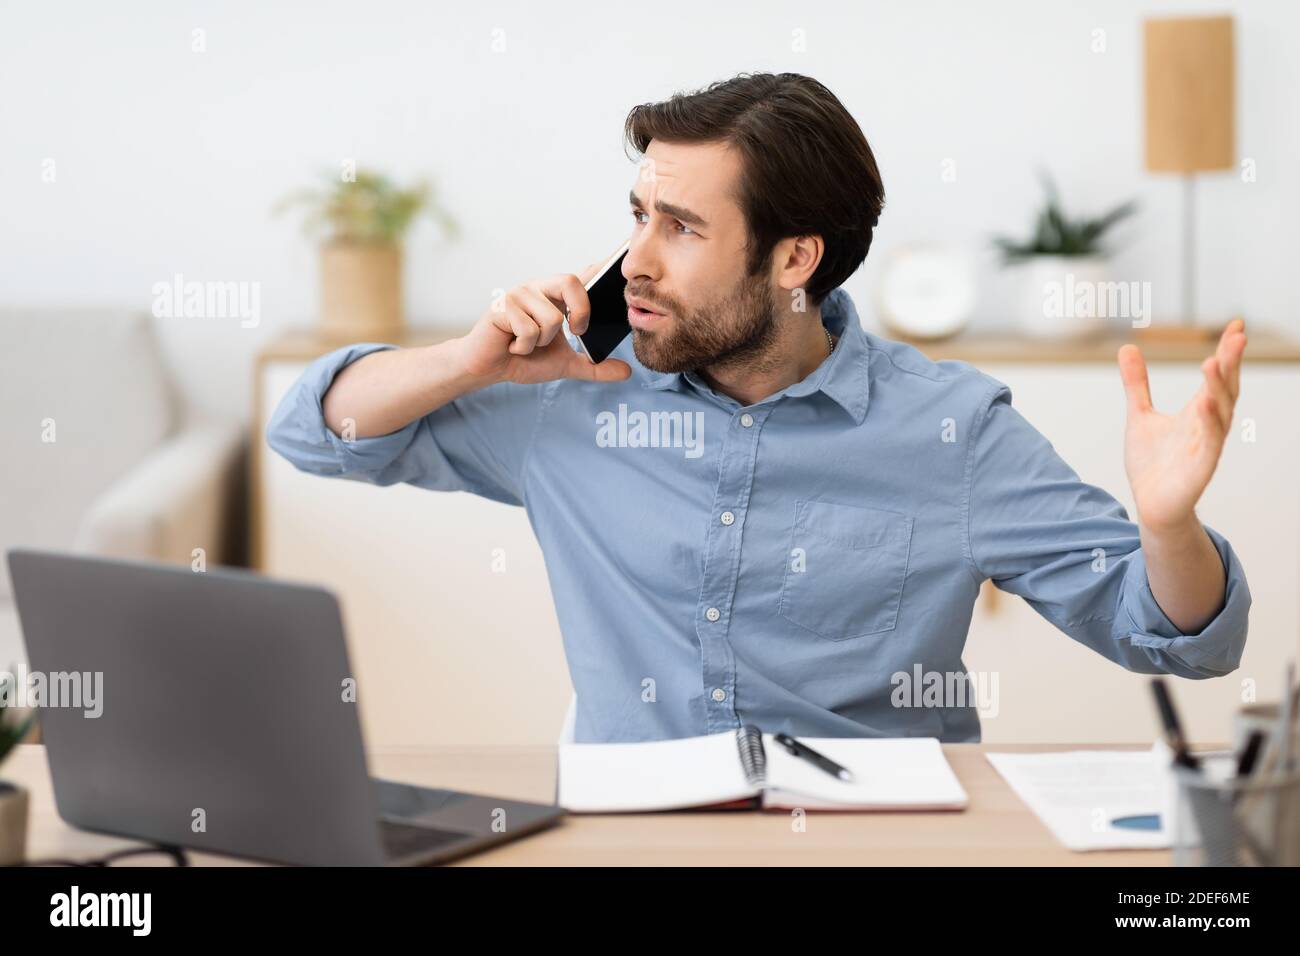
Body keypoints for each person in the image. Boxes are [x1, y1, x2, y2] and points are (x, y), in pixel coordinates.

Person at [267, 72, 1250, 744]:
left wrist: (1166, 526)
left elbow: (1174, 633)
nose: (637, 261)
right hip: (633, 836)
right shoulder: (567, 388)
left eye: (683, 226)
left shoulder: (949, 429)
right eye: (638, 215)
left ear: (794, 258)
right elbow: (313, 430)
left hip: (875, 841)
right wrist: (462, 362)